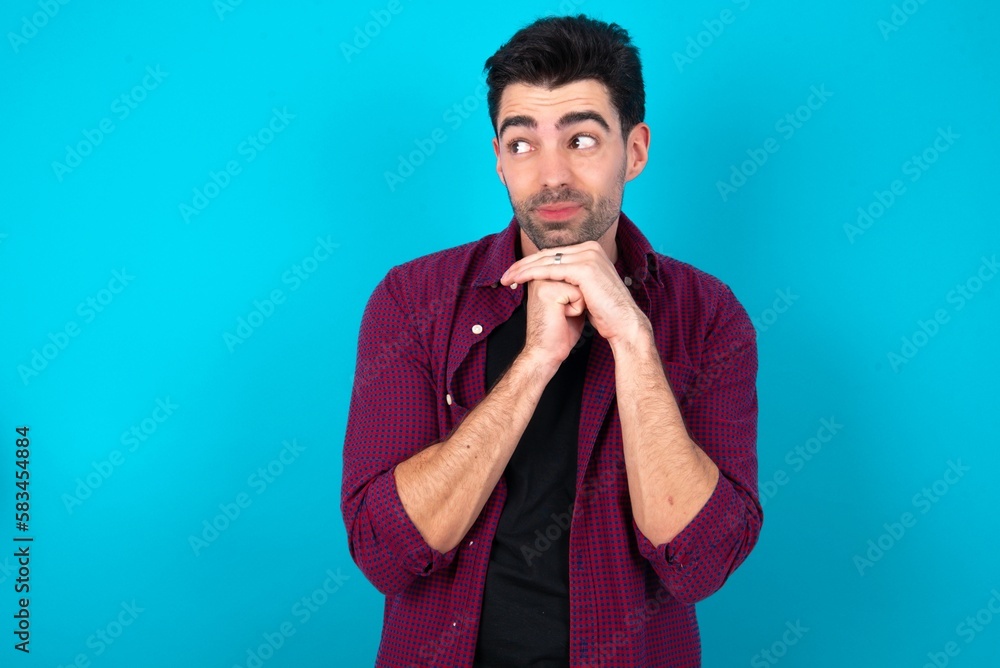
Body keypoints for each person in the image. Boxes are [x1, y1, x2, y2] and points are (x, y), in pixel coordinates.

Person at [342, 14, 762, 667]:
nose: (551, 175)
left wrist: (634, 341)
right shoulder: (413, 301)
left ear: (637, 150)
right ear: (499, 162)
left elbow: (699, 564)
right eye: (522, 144)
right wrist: (535, 362)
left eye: (583, 139)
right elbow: (386, 552)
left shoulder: (708, 315)